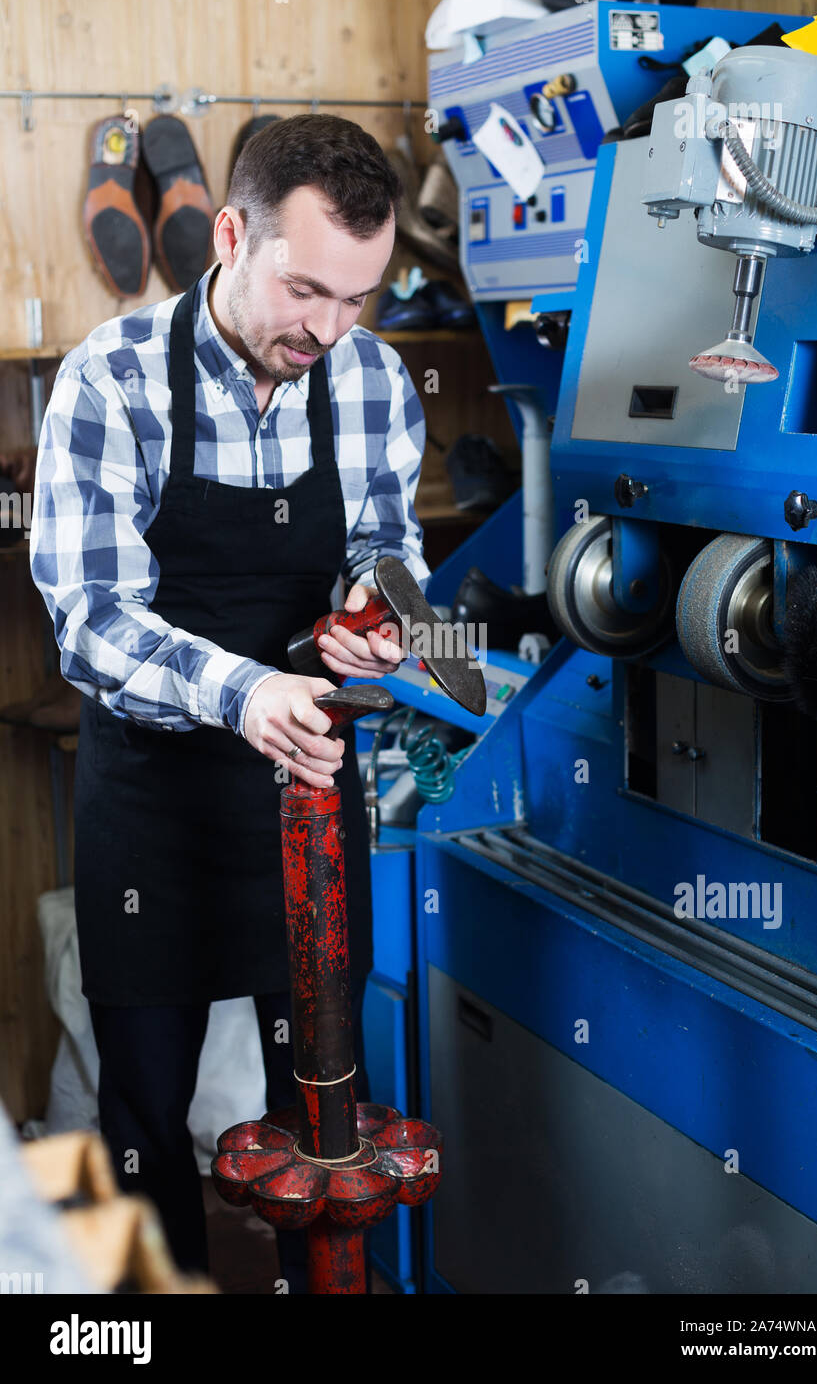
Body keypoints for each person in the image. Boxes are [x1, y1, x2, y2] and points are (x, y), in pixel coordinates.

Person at [29, 114, 430, 1289]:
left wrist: (374, 617)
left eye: (358, 298)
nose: (329, 328)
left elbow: (387, 548)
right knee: (147, 1111)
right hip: (151, 798)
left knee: (324, 1109)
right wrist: (243, 687)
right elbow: (92, 619)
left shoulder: (372, 378)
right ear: (229, 234)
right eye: (306, 290)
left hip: (304, 793)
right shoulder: (110, 378)